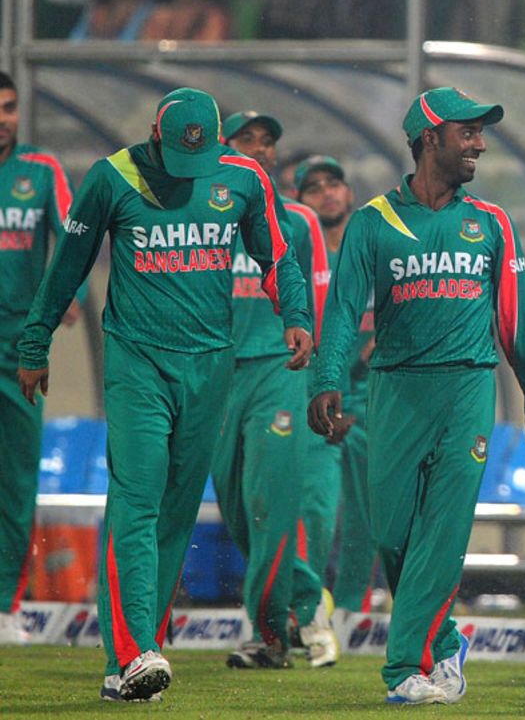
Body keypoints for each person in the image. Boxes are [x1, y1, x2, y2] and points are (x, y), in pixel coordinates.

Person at [17, 87, 312, 703]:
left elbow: (278, 254)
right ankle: (131, 651)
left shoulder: (245, 179)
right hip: (137, 362)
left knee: (178, 509)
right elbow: (67, 263)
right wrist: (35, 341)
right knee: (138, 496)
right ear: (157, 132)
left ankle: (134, 658)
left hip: (211, 366)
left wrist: (296, 311)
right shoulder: (112, 178)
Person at [309, 87, 525, 706]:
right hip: (394, 390)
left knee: (442, 531)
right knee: (393, 533)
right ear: (428, 140)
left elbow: (516, 317)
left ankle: (405, 669)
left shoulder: (492, 223)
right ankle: (444, 642)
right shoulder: (372, 223)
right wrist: (326, 378)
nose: (478, 144)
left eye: (480, 132)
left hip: (467, 389)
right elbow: (341, 312)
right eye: (466, 133)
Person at [213, 112, 337, 670]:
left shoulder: (300, 221)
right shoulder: (208, 217)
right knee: (238, 509)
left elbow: (321, 305)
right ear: (223, 148)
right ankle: (306, 603)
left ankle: (268, 634)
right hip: (216, 373)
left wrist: (324, 380)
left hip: (278, 373)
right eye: (248, 141)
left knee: (270, 505)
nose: (261, 150)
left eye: (268, 142)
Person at [0, 72, 84, 645]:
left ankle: (5, 606)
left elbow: (72, 233)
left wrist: (68, 292)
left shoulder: (40, 169)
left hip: (16, 347)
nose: (2, 118)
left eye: (8, 108)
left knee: (15, 478)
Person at [296, 156, 376, 616]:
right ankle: (306, 609)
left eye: (335, 182)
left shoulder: (372, 242)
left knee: (366, 510)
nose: (327, 192)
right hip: (313, 388)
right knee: (315, 507)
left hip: (367, 390)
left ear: (348, 191)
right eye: (313, 187)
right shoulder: (298, 251)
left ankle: (350, 610)